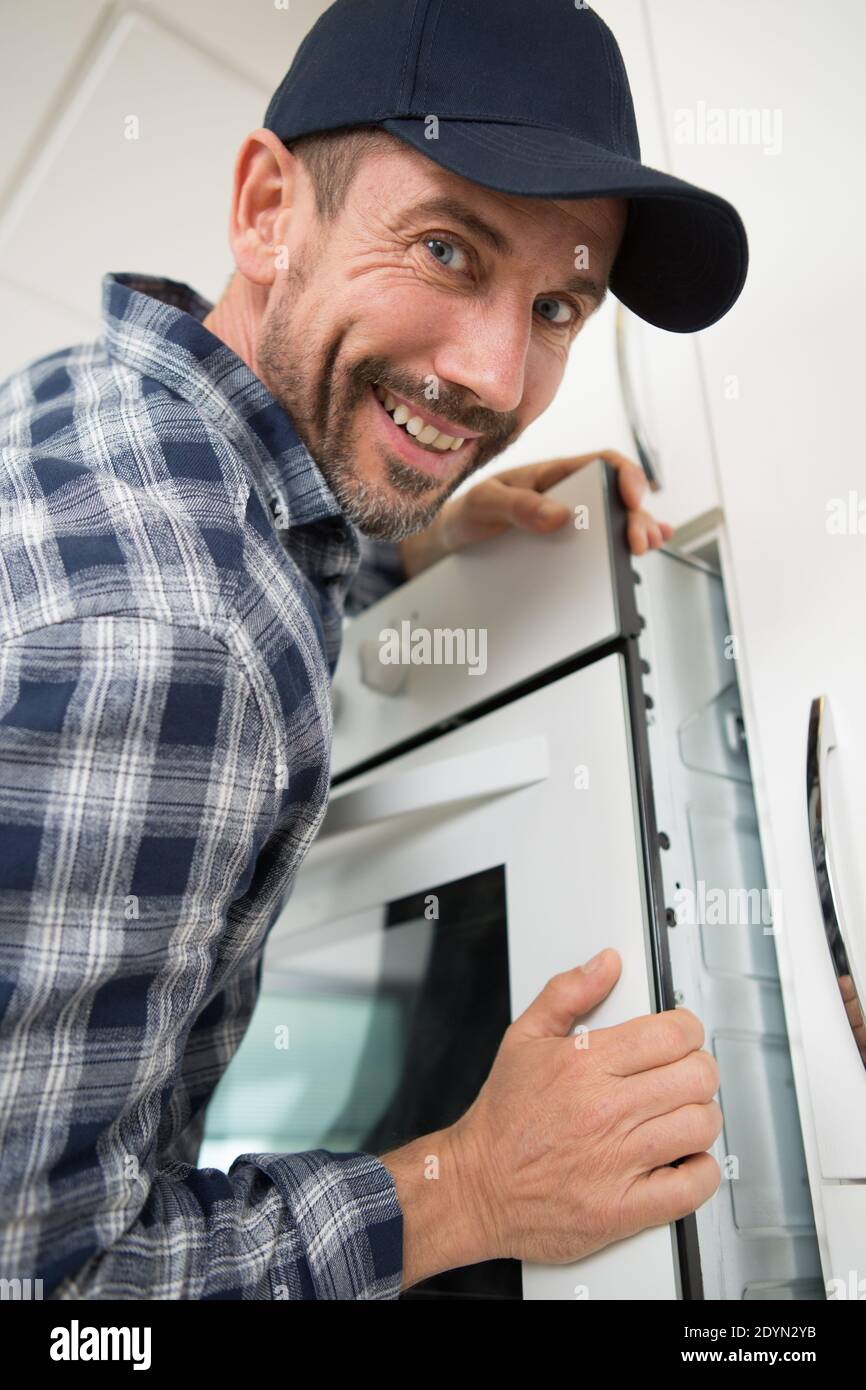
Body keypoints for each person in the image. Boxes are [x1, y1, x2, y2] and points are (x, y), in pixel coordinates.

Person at [0, 0, 746, 1299]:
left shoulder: (100, 405)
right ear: (266, 208)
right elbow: (49, 1286)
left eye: (558, 302)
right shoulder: (173, 643)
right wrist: (471, 1186)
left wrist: (412, 533)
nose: (498, 375)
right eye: (449, 248)